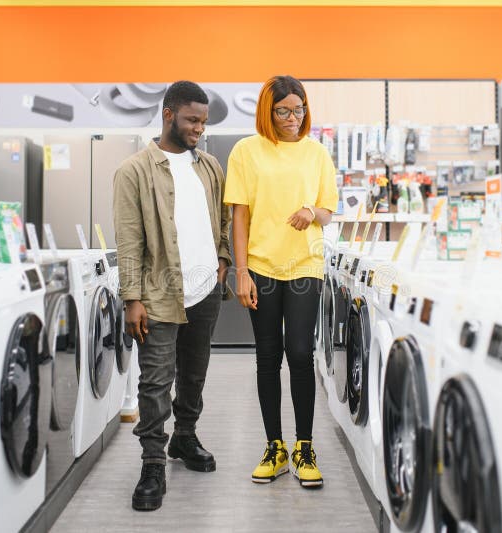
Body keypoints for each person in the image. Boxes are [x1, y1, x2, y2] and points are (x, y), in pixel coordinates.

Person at [113, 80, 232, 511]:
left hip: (205, 290)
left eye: (203, 121)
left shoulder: (210, 167)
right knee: (155, 381)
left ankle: (184, 437)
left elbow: (222, 220)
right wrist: (132, 298)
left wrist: (223, 259)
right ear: (168, 115)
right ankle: (152, 463)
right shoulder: (134, 170)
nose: (199, 128)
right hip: (157, 291)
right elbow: (128, 239)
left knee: (194, 374)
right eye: (191, 120)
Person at [224, 75, 338, 488]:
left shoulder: (317, 153)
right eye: (284, 111)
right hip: (262, 266)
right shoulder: (246, 151)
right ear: (267, 112)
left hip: (305, 264)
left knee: (301, 352)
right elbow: (239, 217)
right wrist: (241, 272)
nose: (293, 118)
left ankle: (304, 447)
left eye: (299, 109)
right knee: (268, 356)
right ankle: (275, 447)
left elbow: (328, 211)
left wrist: (311, 211)